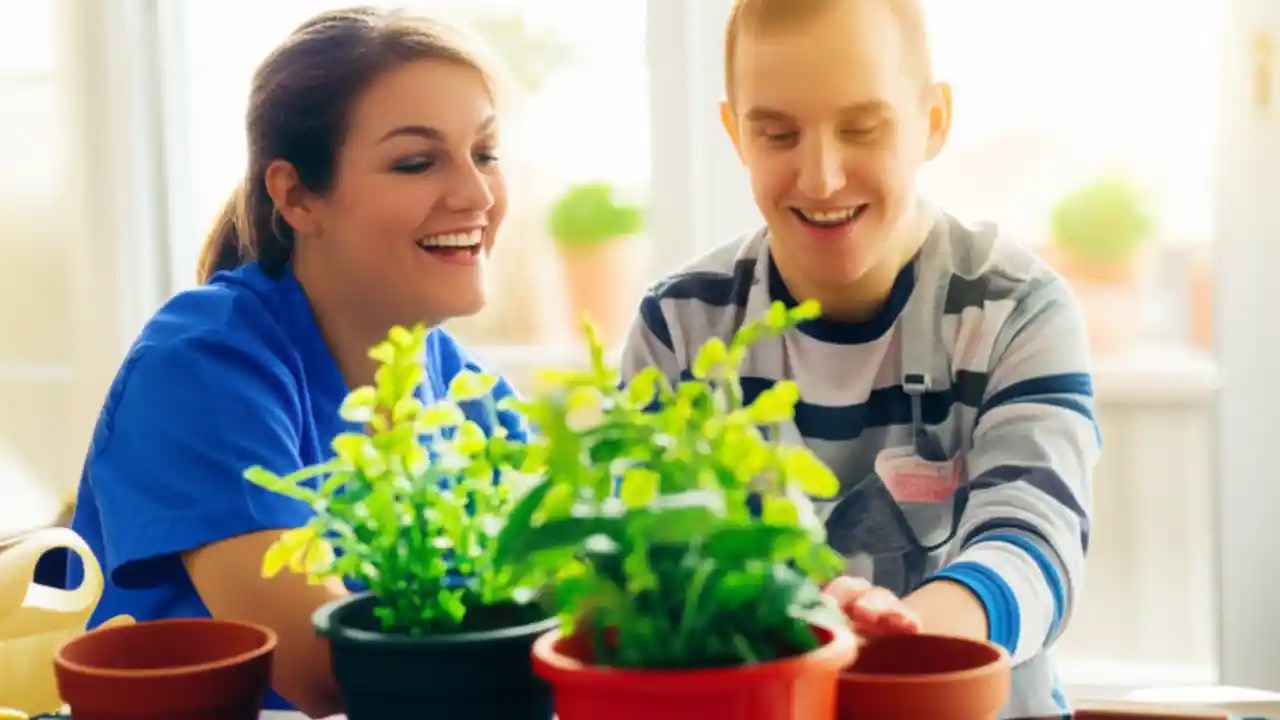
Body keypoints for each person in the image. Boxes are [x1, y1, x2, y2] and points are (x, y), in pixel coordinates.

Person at [621, 0, 1098, 717]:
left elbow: (1036, 542)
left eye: (862, 129)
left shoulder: (1016, 309)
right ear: (734, 133)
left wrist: (894, 642)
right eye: (778, 133)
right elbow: (648, 565)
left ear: (933, 121)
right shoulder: (680, 326)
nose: (820, 178)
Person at [66, 8, 519, 715]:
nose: (478, 195)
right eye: (417, 162)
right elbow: (317, 666)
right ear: (298, 196)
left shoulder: (472, 392)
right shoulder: (201, 367)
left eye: (485, 153)